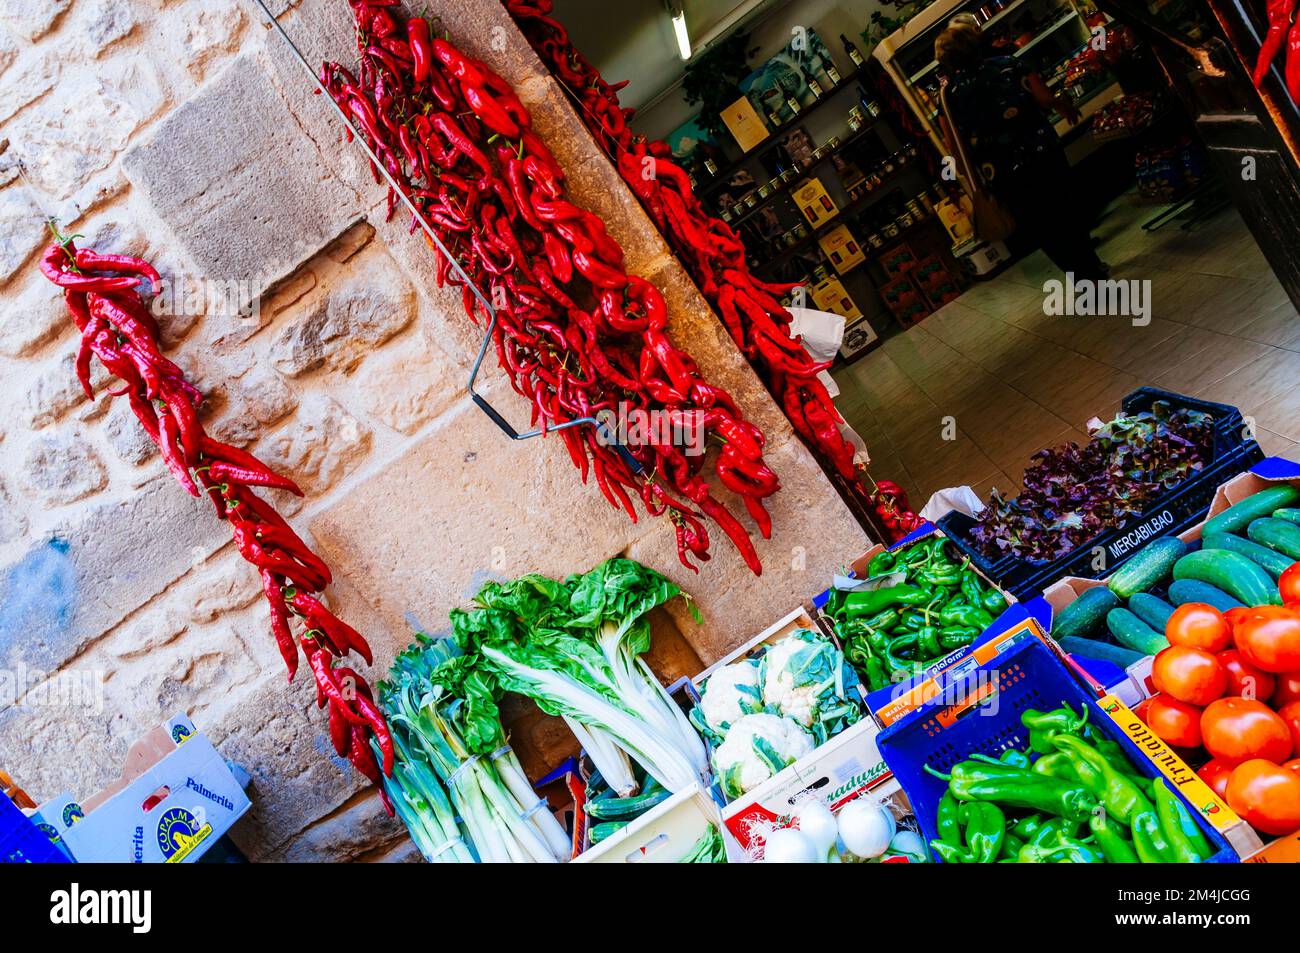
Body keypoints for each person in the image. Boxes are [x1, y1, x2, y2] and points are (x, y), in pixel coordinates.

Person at [935, 23, 1108, 279]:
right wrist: (1063, 107)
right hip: (1042, 151)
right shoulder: (1009, 64)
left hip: (1004, 172)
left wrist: (966, 173)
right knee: (1066, 207)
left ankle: (1082, 277)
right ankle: (1091, 264)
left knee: (1042, 227)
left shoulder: (947, 96)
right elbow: (1044, 98)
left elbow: (954, 145)